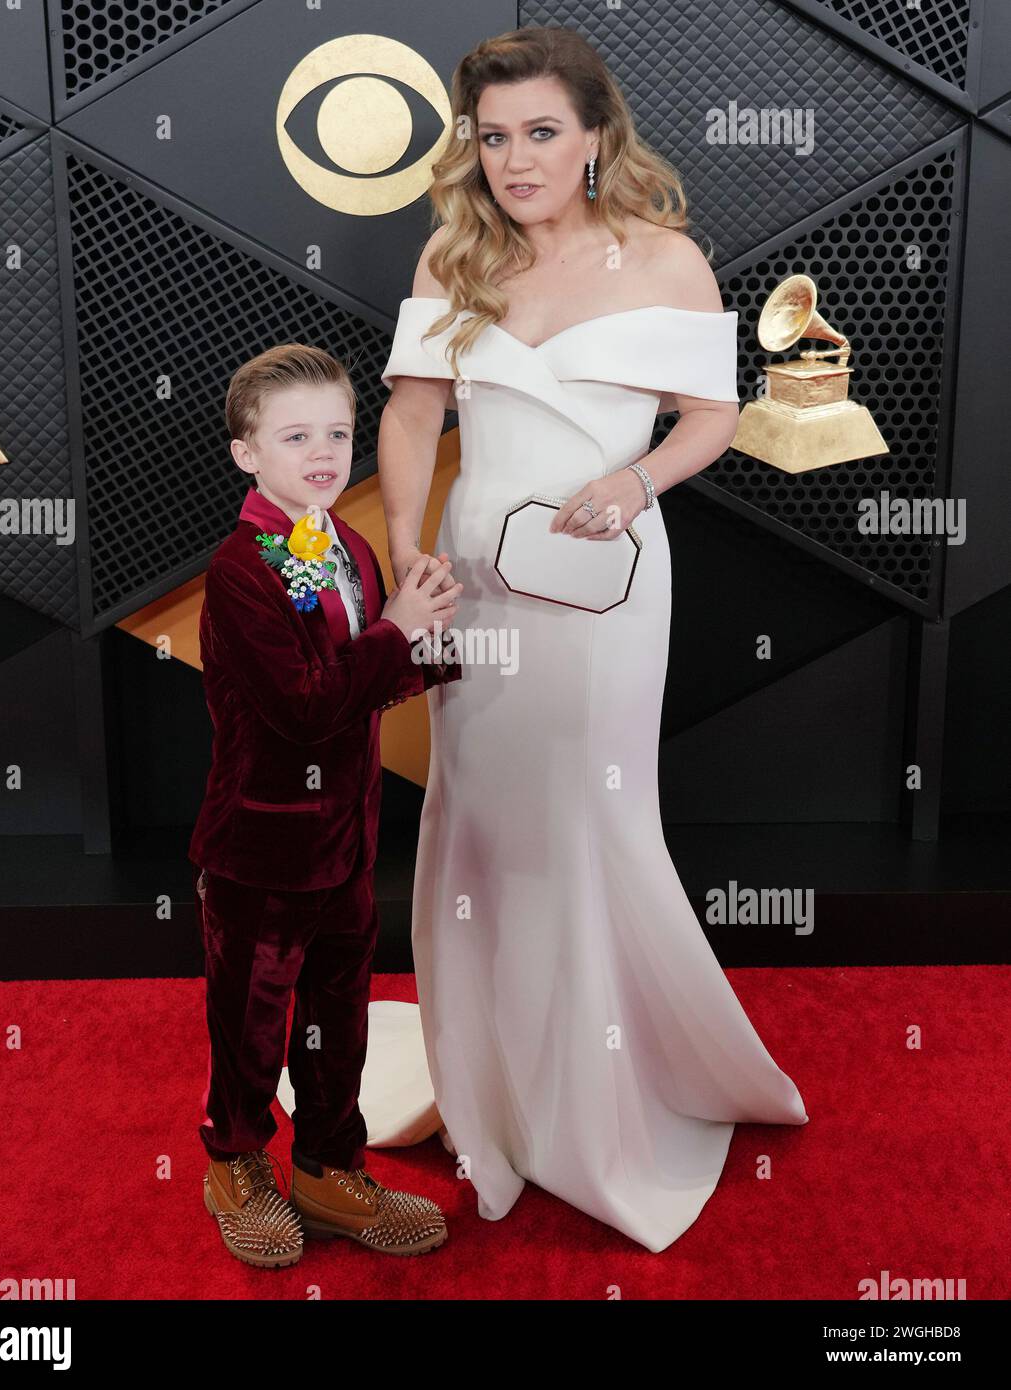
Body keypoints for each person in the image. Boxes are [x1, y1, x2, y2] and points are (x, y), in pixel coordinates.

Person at [375, 27, 808, 1252]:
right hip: (474, 581)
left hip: (608, 585)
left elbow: (715, 414)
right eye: (493, 136)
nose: (515, 160)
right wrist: (407, 544)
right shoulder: (450, 257)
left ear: (594, 137)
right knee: (484, 817)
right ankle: (500, 1092)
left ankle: (598, 1092)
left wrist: (640, 480)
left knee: (588, 810)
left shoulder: (665, 260)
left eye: (541, 132)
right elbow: (409, 418)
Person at [189, 343, 462, 1266]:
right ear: (245, 453)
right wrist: (398, 634)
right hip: (260, 857)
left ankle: (327, 1167)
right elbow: (306, 708)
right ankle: (234, 1163)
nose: (322, 451)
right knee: (252, 1022)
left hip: (347, 843)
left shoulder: (346, 545)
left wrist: (430, 630)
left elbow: (364, 680)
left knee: (338, 1018)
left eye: (338, 433)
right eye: (295, 434)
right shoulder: (236, 572)